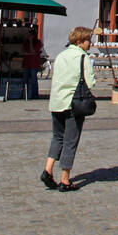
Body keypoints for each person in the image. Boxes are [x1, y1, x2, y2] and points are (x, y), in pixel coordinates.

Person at [43, 26, 96, 192]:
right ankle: (65, 179)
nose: (90, 43)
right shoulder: (82, 57)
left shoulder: (61, 55)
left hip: (57, 102)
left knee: (57, 137)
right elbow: (91, 82)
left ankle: (48, 169)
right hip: (74, 103)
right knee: (70, 141)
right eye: (88, 40)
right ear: (80, 41)